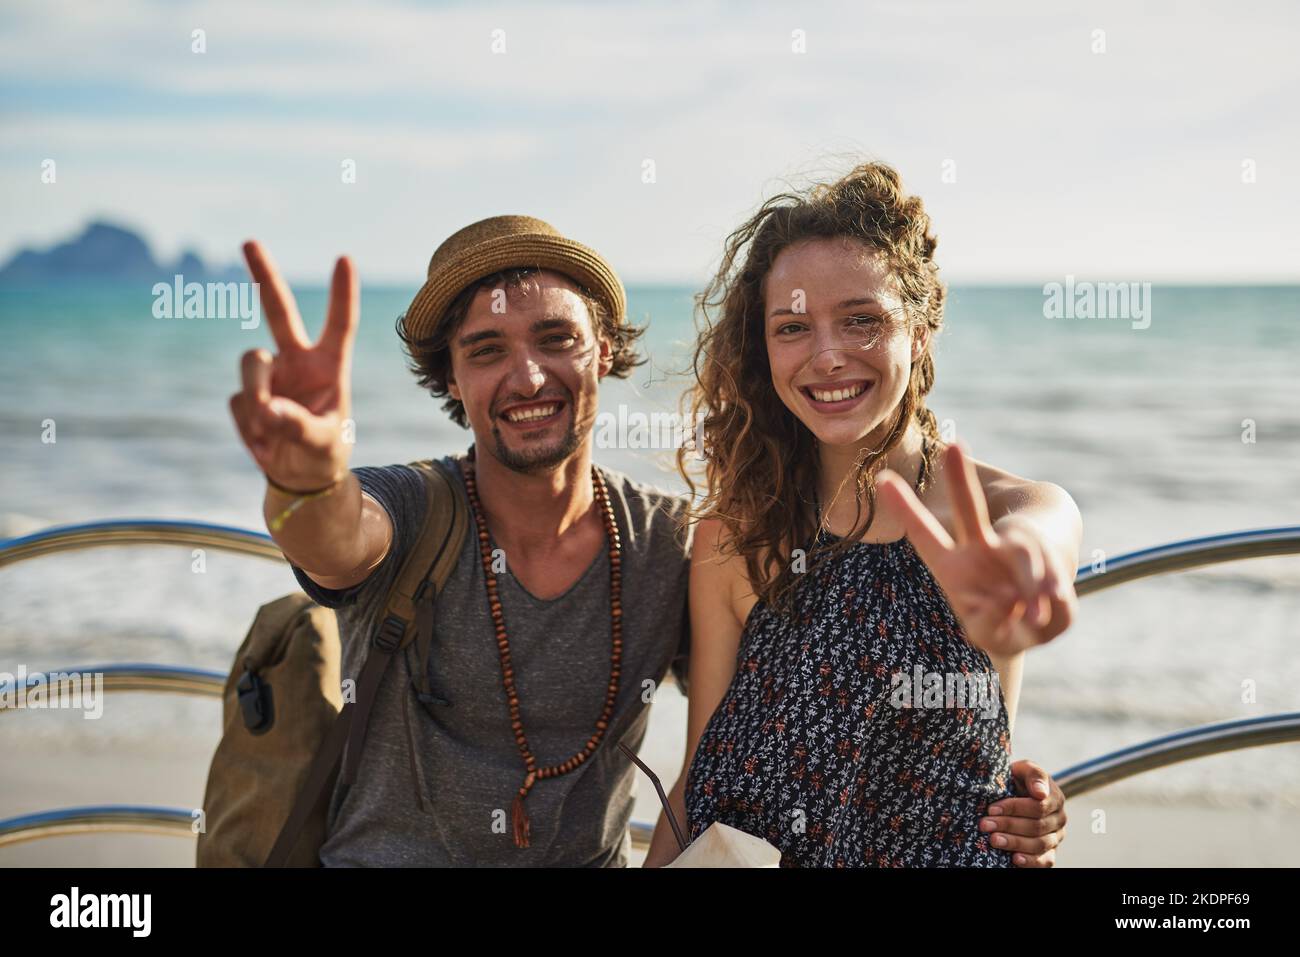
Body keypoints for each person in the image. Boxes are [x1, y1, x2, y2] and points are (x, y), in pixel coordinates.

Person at [228, 212, 1068, 867]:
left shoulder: (670, 543)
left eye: (556, 338)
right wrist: (306, 479)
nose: (526, 376)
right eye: (487, 350)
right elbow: (335, 538)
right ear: (451, 378)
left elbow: (781, 719)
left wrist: (1004, 774)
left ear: (604, 353)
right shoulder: (415, 510)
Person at [645, 161, 1080, 867]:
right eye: (792, 327)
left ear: (923, 326)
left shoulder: (1006, 514)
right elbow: (700, 776)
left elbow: (1036, 546)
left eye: (861, 319)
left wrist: (1023, 576)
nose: (826, 355)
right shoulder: (734, 536)